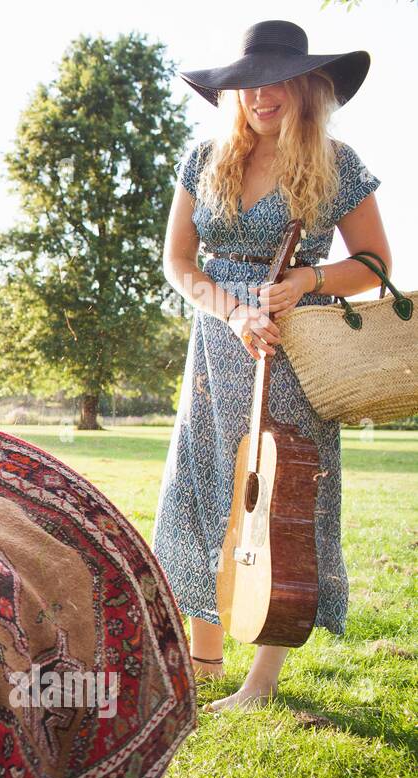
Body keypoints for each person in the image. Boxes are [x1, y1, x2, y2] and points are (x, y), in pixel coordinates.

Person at [155, 20, 393, 712]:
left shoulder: (337, 163)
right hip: (216, 345)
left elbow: (376, 264)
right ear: (233, 91)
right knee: (199, 493)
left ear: (306, 86)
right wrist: (232, 312)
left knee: (281, 503)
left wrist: (306, 283)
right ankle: (202, 663)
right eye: (249, 83)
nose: (262, 95)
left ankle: (261, 684)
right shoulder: (205, 157)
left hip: (293, 353)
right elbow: (178, 263)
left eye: (278, 79)